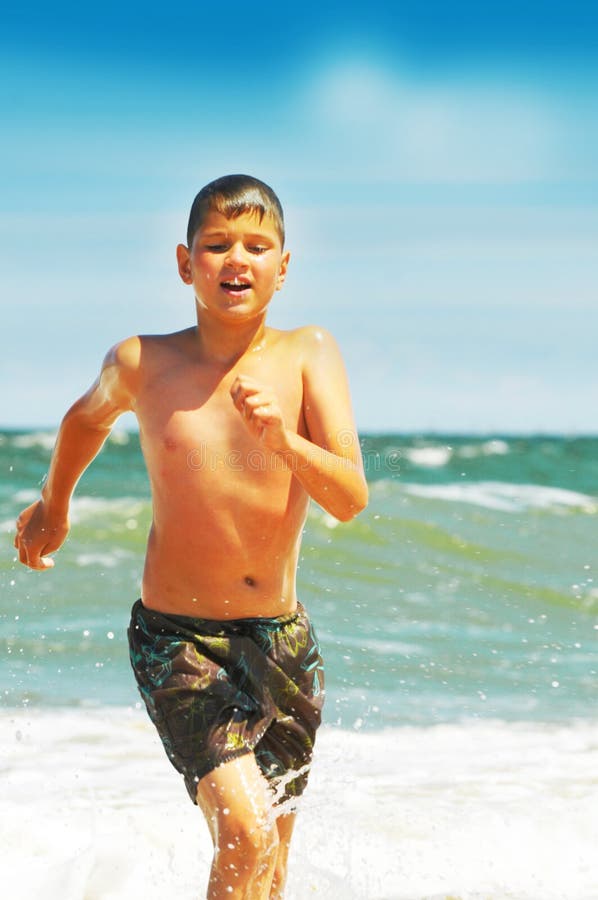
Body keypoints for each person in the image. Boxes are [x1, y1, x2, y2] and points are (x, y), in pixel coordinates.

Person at [14, 174, 368, 899]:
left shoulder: (309, 354)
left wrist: (284, 441)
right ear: (185, 263)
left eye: (257, 246)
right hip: (177, 640)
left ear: (283, 266)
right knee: (247, 834)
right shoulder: (142, 363)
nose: (237, 259)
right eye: (217, 244)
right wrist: (54, 505)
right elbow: (84, 420)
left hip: (281, 644)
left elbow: (350, 497)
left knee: (270, 870)